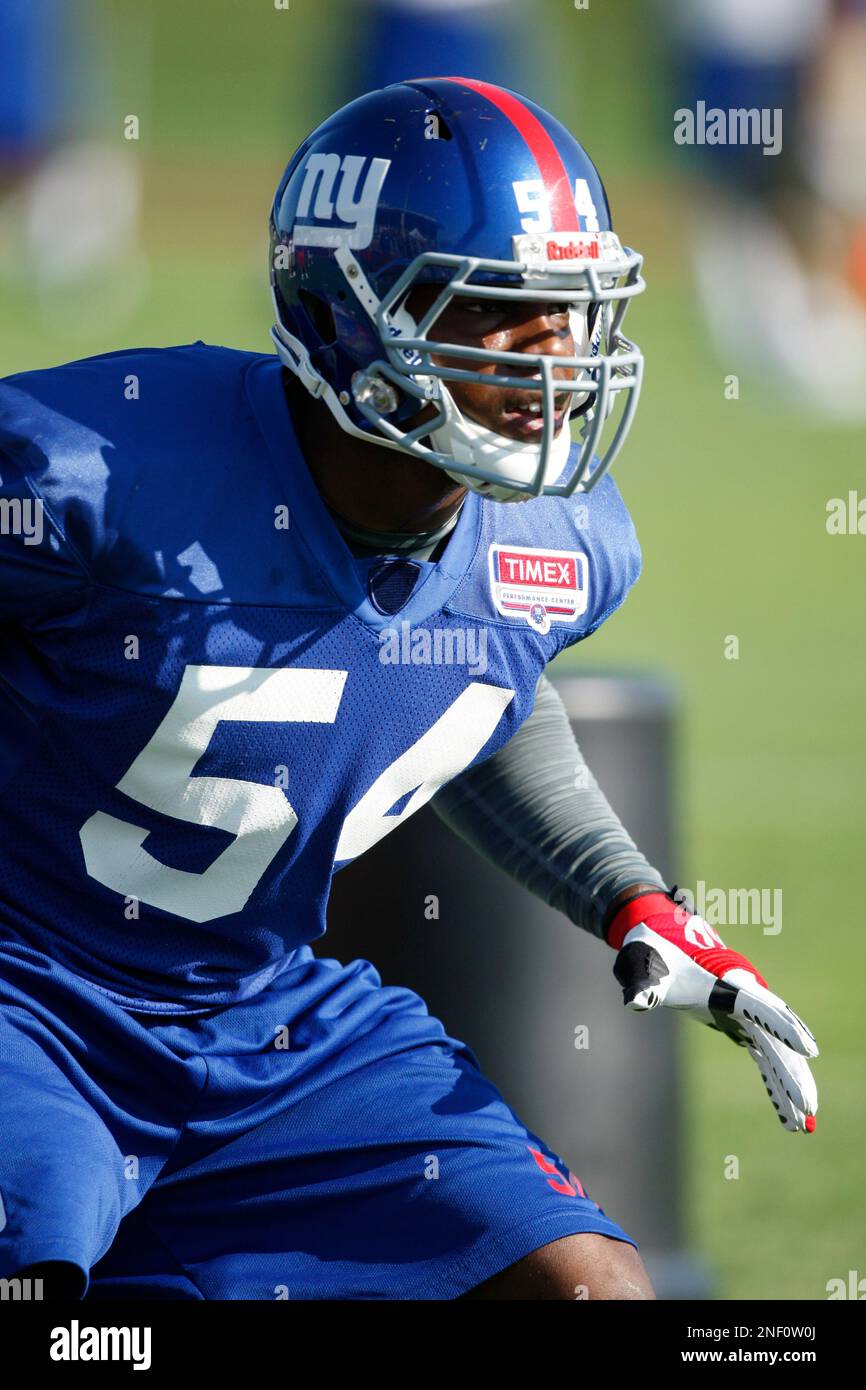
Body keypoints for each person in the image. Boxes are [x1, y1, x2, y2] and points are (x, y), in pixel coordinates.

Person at [0, 77, 817, 1302]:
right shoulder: (97, 474)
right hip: (29, 997)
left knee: (587, 1284)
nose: (557, 365)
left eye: (573, 317)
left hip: (264, 1019)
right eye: (503, 313)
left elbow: (466, 696)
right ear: (350, 318)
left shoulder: (560, 546)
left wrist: (629, 897)